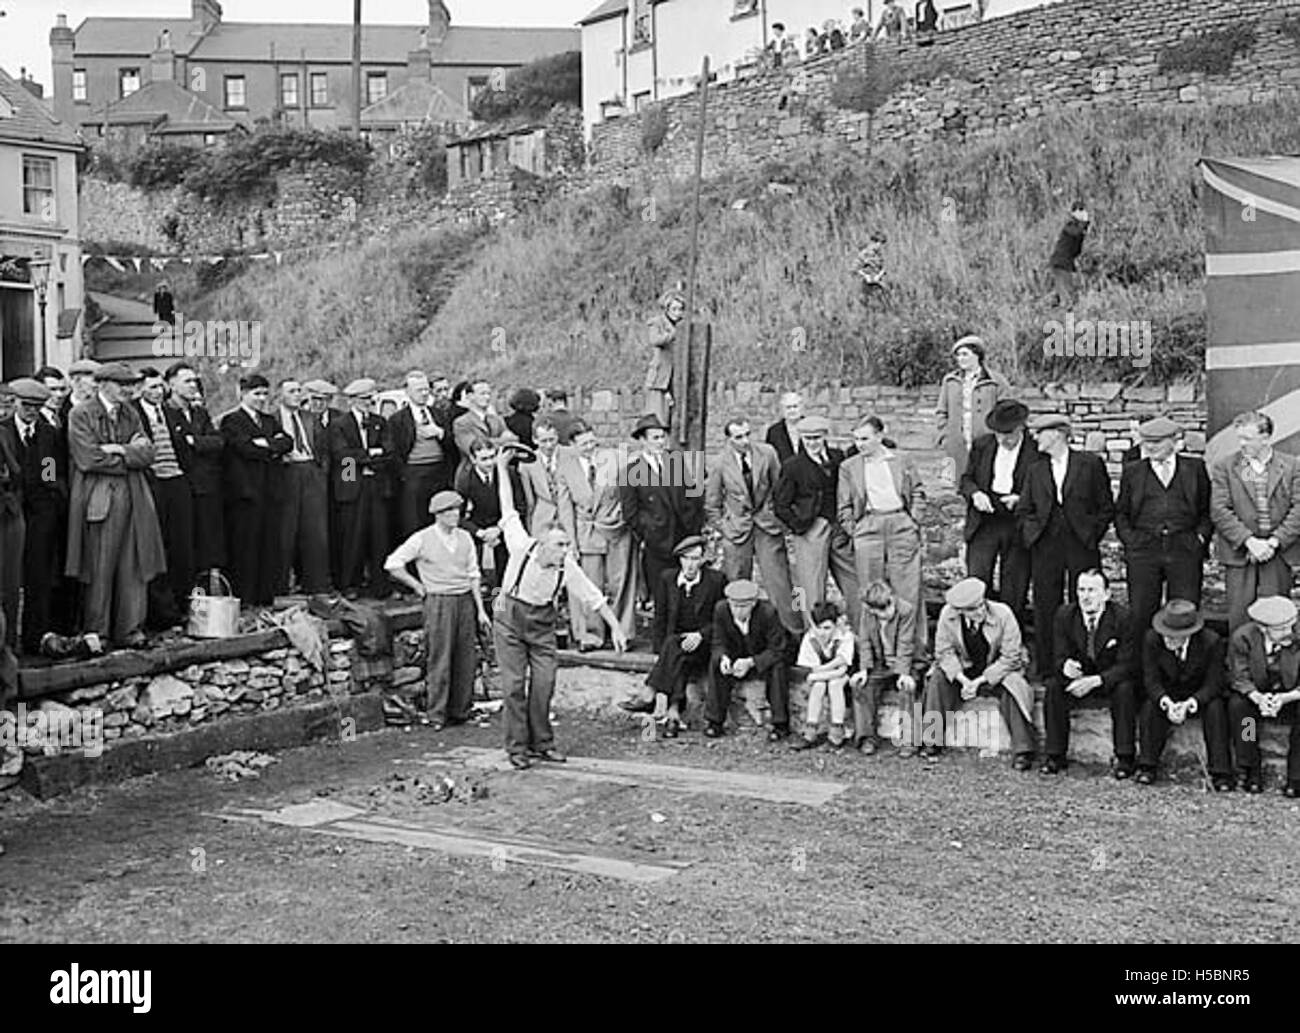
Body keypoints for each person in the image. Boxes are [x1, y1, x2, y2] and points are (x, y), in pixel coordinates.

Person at [491, 448, 628, 769]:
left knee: (545, 683)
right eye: (559, 545)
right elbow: (506, 504)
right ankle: (517, 748)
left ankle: (543, 743)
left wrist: (617, 627)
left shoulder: (567, 568)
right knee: (512, 687)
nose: (565, 550)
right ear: (543, 542)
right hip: (510, 620)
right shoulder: (521, 546)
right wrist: (500, 467)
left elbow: (594, 596)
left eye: (567, 544)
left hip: (541, 624)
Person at [65, 363, 166, 647]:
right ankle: (98, 631)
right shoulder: (81, 413)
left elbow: (149, 453)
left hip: (134, 495)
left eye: (130, 384)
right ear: (103, 383)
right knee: (99, 565)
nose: (128, 389)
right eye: (121, 384)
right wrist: (130, 457)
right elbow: (87, 459)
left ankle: (131, 629)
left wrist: (119, 449)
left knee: (134, 563)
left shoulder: (130, 413)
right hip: (100, 497)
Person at [385, 489, 491, 730]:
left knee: (466, 657)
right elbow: (393, 563)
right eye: (449, 511)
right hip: (439, 601)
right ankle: (437, 713)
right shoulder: (423, 538)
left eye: (457, 510)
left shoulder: (464, 538)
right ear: (438, 514)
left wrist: (480, 610)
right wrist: (417, 586)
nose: (455, 515)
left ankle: (461, 710)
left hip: (463, 599)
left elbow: (473, 574)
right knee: (440, 657)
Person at [1017, 413, 1114, 674]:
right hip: (1045, 543)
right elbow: (1025, 508)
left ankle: (1086, 663)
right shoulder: (1036, 469)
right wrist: (1031, 534)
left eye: (1040, 433)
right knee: (1046, 604)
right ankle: (1049, 666)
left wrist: (1092, 533)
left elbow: (1106, 506)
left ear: (1058, 434)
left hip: (1081, 542)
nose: (1035, 438)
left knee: (1084, 600)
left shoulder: (1089, 464)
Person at [923, 577, 1036, 769]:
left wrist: (980, 681)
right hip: (965, 667)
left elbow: (1011, 657)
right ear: (960, 611)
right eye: (973, 610)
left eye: (981, 605)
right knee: (937, 679)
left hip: (999, 667)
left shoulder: (1003, 614)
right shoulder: (947, 615)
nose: (980, 611)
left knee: (1014, 686)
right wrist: (962, 679)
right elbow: (944, 652)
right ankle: (931, 739)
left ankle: (1023, 749)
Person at [1114, 416, 1210, 641]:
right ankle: (1143, 671)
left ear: (1173, 441)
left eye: (1156, 442)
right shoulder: (1133, 471)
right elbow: (1121, 512)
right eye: (1146, 442)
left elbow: (1207, 509)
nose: (1150, 447)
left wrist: (1200, 539)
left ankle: (1185, 668)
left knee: (1185, 611)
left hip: (1184, 549)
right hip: (1144, 550)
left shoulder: (1194, 467)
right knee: (1141, 612)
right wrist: (1131, 540)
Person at [837, 415, 925, 653]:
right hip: (868, 525)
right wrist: (854, 530)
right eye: (856, 439)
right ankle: (875, 654)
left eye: (865, 438)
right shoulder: (849, 467)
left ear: (879, 436)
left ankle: (913, 653)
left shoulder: (902, 460)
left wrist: (914, 520)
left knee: (907, 590)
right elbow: (843, 505)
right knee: (870, 592)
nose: (859, 444)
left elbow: (918, 490)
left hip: (900, 522)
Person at [704, 416, 799, 635]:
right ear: (729, 439)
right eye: (739, 437)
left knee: (782, 584)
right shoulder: (719, 463)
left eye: (748, 434)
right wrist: (726, 528)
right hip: (737, 530)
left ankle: (793, 632)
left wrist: (779, 519)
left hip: (767, 526)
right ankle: (737, 635)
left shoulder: (767, 453)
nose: (745, 440)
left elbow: (780, 489)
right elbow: (712, 504)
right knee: (737, 585)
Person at [628, 535, 728, 737]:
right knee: (676, 652)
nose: (691, 565)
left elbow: (722, 621)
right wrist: (660, 653)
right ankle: (673, 714)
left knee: (674, 647)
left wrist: (701, 635)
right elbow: (661, 618)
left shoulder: (715, 581)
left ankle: (651, 692)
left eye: (696, 559)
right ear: (680, 559)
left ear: (702, 560)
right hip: (676, 646)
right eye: (687, 558)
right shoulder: (667, 579)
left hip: (704, 645)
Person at [1042, 569, 1138, 778]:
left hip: (1107, 678)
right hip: (1078, 678)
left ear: (1106, 594)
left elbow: (1128, 664)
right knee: (1052, 687)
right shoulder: (1065, 615)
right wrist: (1065, 666)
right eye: (1081, 590)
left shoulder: (1123, 617)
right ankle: (1054, 755)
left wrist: (1097, 680)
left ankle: (1125, 757)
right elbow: (1057, 656)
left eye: (1092, 591)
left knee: (1126, 689)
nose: (1085, 596)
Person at [1210, 410, 1300, 632]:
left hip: (1278, 553)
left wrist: (1273, 542)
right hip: (1240, 553)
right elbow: (1219, 509)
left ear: (1266, 437)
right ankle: (1239, 665)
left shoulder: (1292, 466)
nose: (1241, 444)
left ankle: (1277, 665)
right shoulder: (1225, 467)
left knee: (1277, 616)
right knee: (1240, 617)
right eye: (1239, 437)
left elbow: (1299, 508)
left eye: (1247, 439)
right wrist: (1250, 542)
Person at [620, 414, 704, 642]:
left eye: (662, 437)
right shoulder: (632, 471)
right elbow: (630, 512)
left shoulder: (675, 462)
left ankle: (685, 640)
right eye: (655, 438)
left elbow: (693, 495)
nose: (661, 442)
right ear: (643, 441)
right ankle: (661, 643)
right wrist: (648, 532)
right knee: (661, 593)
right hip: (657, 542)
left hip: (682, 536)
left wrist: (693, 527)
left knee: (685, 590)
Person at [556, 420, 638, 651]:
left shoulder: (615, 459)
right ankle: (591, 635)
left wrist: (622, 518)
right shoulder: (566, 468)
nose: (590, 447)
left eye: (592, 441)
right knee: (590, 584)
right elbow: (565, 509)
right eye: (583, 444)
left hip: (616, 529)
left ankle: (622, 632)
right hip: (587, 533)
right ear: (572, 445)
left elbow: (629, 491)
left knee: (619, 582)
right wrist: (571, 542)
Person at [774, 415, 860, 630]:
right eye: (808, 438)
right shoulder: (793, 466)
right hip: (811, 531)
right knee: (808, 588)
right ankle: (811, 636)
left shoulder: (838, 458)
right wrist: (799, 526)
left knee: (853, 581)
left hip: (838, 529)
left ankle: (863, 635)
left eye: (817, 438)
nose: (812, 443)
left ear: (825, 437)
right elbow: (780, 504)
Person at [1137, 599, 1232, 790]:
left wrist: (1191, 703)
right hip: (1168, 693)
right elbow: (1151, 679)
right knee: (1149, 707)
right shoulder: (1152, 640)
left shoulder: (1211, 642)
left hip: (1200, 694)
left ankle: (1224, 771)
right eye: (1166, 635)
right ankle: (1147, 765)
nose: (1168, 640)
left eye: (1174, 636)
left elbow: (1215, 682)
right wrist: (1166, 702)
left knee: (1223, 710)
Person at [960, 398, 1037, 627]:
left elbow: (1044, 488)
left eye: (1009, 434)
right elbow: (966, 479)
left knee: (1014, 585)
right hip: (985, 520)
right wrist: (975, 494)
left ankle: (1010, 637)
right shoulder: (983, 445)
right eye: (999, 434)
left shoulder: (1034, 450)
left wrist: (1022, 499)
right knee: (977, 579)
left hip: (1016, 522)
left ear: (1021, 428)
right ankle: (976, 634)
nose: (1004, 440)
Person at [2, 379, 65, 654]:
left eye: (36, 407)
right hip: (9, 512)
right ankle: (7, 642)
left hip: (40, 512)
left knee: (39, 575)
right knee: (9, 579)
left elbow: (50, 472)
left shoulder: (49, 434)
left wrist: (49, 501)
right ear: (15, 403)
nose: (31, 412)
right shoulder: (3, 432)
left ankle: (34, 636)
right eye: (26, 406)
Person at [221, 373, 293, 607]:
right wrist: (271, 447)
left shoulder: (269, 420)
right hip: (247, 490)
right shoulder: (232, 420)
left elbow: (287, 442)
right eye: (257, 393)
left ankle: (265, 593)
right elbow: (244, 448)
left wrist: (266, 445)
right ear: (244, 393)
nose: (262, 398)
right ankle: (245, 594)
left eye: (264, 393)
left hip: (272, 488)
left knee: (269, 542)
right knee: (246, 544)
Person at [135, 366, 192, 627]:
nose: (158, 392)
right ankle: (159, 611)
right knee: (156, 547)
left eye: (160, 387)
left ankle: (181, 604)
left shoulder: (171, 413)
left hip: (176, 481)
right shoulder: (134, 414)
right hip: (152, 482)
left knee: (181, 545)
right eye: (152, 387)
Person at [1227, 596, 1300, 797]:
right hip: (1258, 694)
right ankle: (1250, 769)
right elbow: (1239, 676)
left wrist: (1286, 698)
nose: (1288, 633)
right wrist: (1257, 697)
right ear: (1263, 628)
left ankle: (1296, 776)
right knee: (1240, 710)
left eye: (1290, 626)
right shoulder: (1243, 638)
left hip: (1292, 695)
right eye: (1281, 629)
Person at [328, 378, 393, 599]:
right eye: (364, 399)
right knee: (351, 536)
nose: (369, 403)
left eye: (371, 399)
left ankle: (380, 585)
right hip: (352, 485)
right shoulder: (340, 424)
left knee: (379, 536)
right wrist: (369, 456)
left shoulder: (380, 422)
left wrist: (367, 458)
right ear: (353, 400)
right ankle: (349, 584)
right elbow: (343, 457)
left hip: (376, 484)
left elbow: (388, 452)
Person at [707, 579, 790, 741]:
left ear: (753, 604)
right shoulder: (721, 610)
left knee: (778, 668)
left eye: (743, 607)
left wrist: (752, 662)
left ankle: (780, 724)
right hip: (737, 655)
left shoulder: (768, 613)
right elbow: (718, 640)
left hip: (761, 657)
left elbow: (778, 649)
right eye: (734, 606)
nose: (738, 612)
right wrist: (723, 657)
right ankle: (714, 721)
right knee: (715, 664)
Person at [850, 580, 923, 756]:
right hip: (880, 663)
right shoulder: (867, 613)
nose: (884, 614)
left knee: (907, 688)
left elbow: (906, 644)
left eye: (886, 608)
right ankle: (867, 737)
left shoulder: (906, 610)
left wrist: (903, 673)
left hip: (908, 662)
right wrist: (864, 669)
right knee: (862, 685)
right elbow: (865, 640)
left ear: (891, 598)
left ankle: (909, 739)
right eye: (878, 611)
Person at [166, 362, 225, 578]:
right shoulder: (166, 412)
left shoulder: (200, 412)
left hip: (206, 485)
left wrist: (195, 441)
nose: (193, 385)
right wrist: (198, 443)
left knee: (208, 544)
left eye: (194, 381)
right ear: (172, 384)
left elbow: (218, 442)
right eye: (187, 381)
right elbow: (178, 446)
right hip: (181, 485)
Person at [275, 378, 330, 596]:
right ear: (280, 395)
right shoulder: (273, 419)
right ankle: (282, 584)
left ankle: (317, 585)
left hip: (312, 472)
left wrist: (323, 473)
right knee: (285, 531)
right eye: (292, 391)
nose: (297, 395)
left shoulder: (312, 419)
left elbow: (332, 453)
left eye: (299, 391)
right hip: (288, 472)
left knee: (315, 531)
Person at [935, 335, 1011, 485]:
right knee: (955, 481)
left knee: (985, 479)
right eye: (958, 355)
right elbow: (942, 411)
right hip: (957, 440)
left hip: (986, 438)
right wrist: (945, 435)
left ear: (977, 356)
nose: (960, 359)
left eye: (965, 354)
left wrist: (998, 435)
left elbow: (1005, 411)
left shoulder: (996, 381)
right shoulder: (950, 380)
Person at [385, 371, 452, 539]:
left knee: (439, 520)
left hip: (438, 472)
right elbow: (393, 452)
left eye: (425, 389)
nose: (423, 394)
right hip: (413, 474)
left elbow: (453, 444)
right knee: (414, 523)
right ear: (407, 392)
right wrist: (404, 475)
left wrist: (440, 433)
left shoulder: (438, 414)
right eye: (418, 390)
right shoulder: (397, 420)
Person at [457, 438, 528, 587]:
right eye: (484, 459)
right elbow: (458, 516)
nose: (489, 463)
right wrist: (480, 533)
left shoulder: (509, 474)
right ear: (473, 459)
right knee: (480, 580)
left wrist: (499, 529)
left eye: (492, 457)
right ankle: (483, 607)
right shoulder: (464, 480)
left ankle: (500, 608)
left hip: (504, 532)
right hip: (479, 535)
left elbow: (521, 506)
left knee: (504, 579)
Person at [791, 601, 853, 750]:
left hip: (845, 672)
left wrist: (821, 671)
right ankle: (810, 730)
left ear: (836, 624)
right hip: (823, 675)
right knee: (818, 687)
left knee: (835, 685)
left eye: (827, 628)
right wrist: (816, 675)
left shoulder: (845, 636)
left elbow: (842, 667)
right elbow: (810, 668)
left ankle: (836, 732)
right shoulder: (811, 638)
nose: (822, 633)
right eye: (818, 628)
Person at [0, 385, 28, 648]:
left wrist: (49, 487)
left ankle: (15, 642)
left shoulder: (46, 431)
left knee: (16, 583)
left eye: (9, 403)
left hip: (28, 506)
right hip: (9, 506)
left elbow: (49, 464)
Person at [644, 288, 684, 427]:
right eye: (674, 309)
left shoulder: (682, 325)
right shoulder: (657, 322)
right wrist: (673, 334)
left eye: (680, 309)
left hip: (677, 376)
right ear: (666, 309)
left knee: (674, 417)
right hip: (660, 377)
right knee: (656, 418)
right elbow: (655, 340)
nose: (678, 313)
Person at [520, 416, 562, 536]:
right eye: (544, 441)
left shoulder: (570, 455)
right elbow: (530, 502)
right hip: (542, 522)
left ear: (557, 437)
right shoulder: (527, 464)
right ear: (534, 440)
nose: (549, 446)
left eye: (552, 439)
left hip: (569, 520)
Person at [452, 380, 512, 464]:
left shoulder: (497, 419)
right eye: (482, 393)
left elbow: (513, 440)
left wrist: (489, 441)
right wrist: (502, 441)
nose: (487, 397)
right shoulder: (461, 423)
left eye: (488, 394)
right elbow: (474, 448)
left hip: (498, 468)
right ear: (470, 396)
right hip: (473, 471)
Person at [1048, 203, 1090, 307]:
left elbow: (1077, 250)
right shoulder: (1070, 226)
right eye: (1080, 210)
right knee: (1069, 296)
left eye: (1083, 210)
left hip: (1063, 264)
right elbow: (1075, 232)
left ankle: (1053, 311)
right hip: (1061, 264)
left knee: (1061, 294)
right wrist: (1084, 223)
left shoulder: (1078, 230)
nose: (1084, 213)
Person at [765, 391, 805, 464]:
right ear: (782, 409)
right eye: (788, 407)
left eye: (795, 406)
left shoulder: (811, 427)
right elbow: (769, 458)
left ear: (801, 407)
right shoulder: (774, 432)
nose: (792, 410)